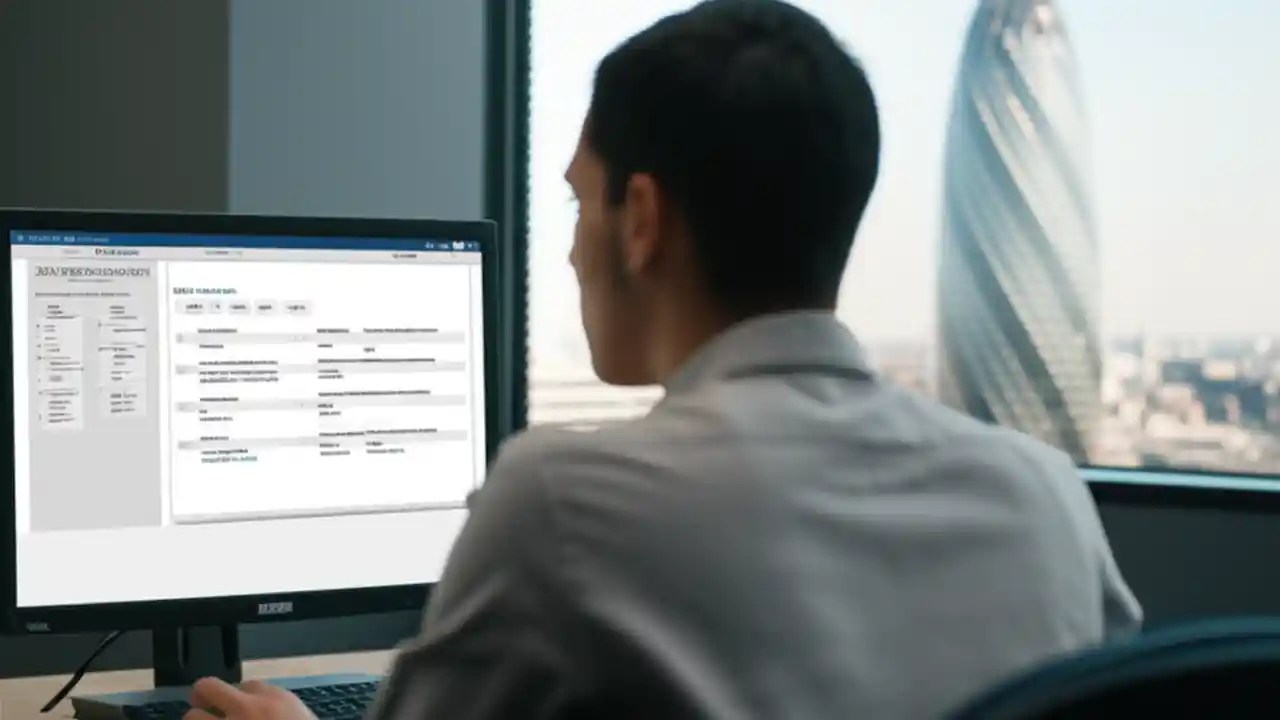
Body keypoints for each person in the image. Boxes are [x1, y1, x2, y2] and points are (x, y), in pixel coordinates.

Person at [184, 1, 1142, 718]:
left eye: (579, 203)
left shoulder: (564, 504)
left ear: (641, 219)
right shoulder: (1044, 494)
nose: (570, 251)